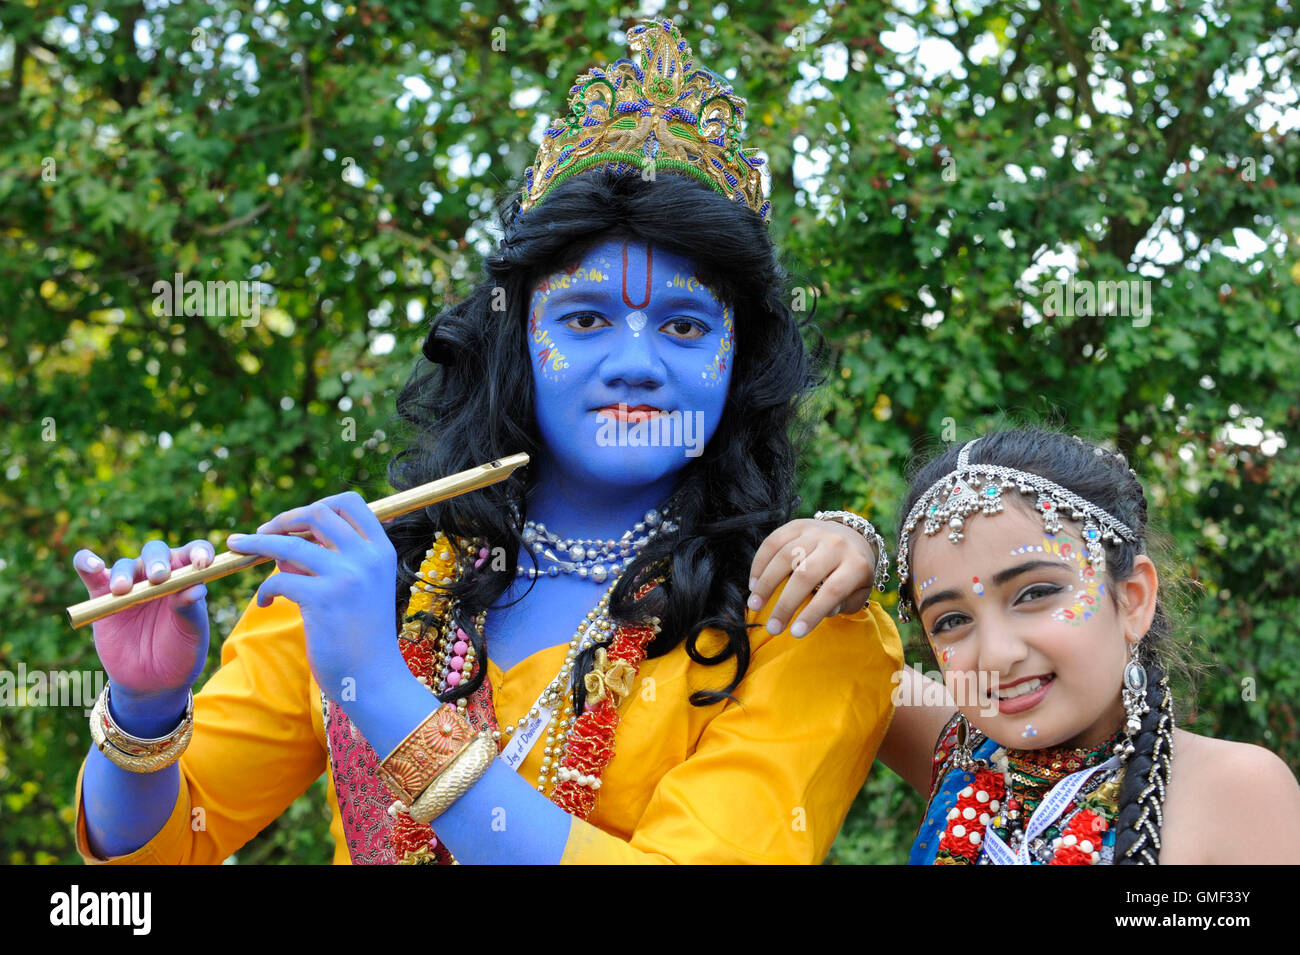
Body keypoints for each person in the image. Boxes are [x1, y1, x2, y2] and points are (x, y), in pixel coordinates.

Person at [70, 19, 902, 865]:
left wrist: (386, 694)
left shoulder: (801, 615)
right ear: (515, 341)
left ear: (741, 362)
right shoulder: (366, 577)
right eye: (584, 319)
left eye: (686, 326)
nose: (637, 365)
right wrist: (145, 708)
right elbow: (160, 855)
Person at [870, 428, 1300, 864]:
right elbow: (826, 645)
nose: (997, 655)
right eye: (952, 620)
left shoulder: (1235, 791)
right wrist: (844, 541)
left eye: (1034, 594)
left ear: (1133, 600)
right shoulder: (961, 760)